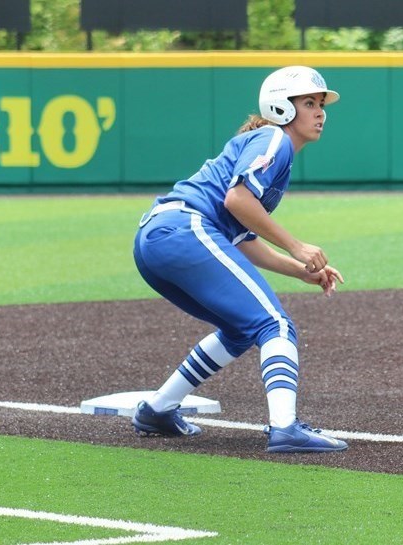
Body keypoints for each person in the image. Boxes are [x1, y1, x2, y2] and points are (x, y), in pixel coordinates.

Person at [131, 66, 348, 453]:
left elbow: (241, 238)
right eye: (309, 103)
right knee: (275, 325)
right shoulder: (275, 139)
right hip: (183, 229)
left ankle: (158, 409)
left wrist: (300, 271)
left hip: (159, 239)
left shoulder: (270, 147)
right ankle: (285, 428)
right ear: (282, 108)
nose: (320, 113)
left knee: (240, 330)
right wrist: (296, 246)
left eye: (321, 105)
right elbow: (237, 201)